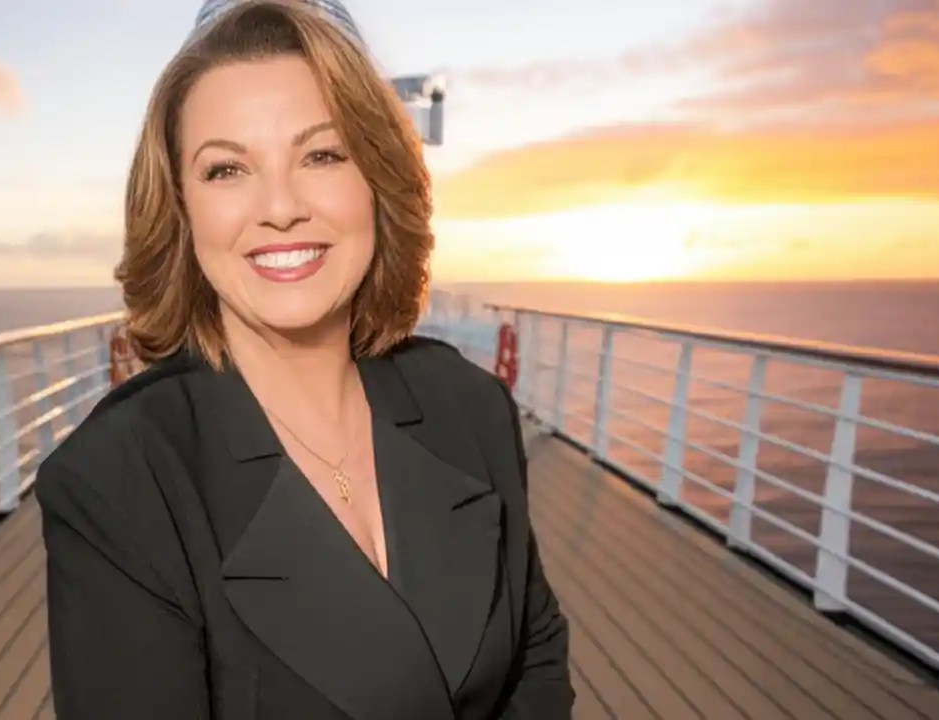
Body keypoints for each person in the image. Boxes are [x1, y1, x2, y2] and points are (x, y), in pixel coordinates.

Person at [35, 1, 574, 717]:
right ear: (181, 208)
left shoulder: (468, 405)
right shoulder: (119, 479)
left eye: (322, 154)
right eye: (227, 169)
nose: (281, 206)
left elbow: (533, 658)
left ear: (377, 180)